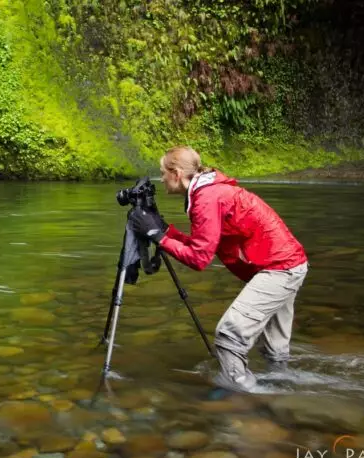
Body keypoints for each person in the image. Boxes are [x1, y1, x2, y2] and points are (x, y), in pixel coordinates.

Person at [128, 145, 309, 392]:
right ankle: (284, 391)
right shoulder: (209, 191)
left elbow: (199, 258)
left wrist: (157, 236)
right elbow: (203, 244)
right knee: (273, 350)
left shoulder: (206, 198)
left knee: (229, 336)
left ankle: (244, 393)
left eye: (163, 172)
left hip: (279, 269)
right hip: (289, 264)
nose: (161, 178)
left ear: (177, 173)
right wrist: (164, 229)